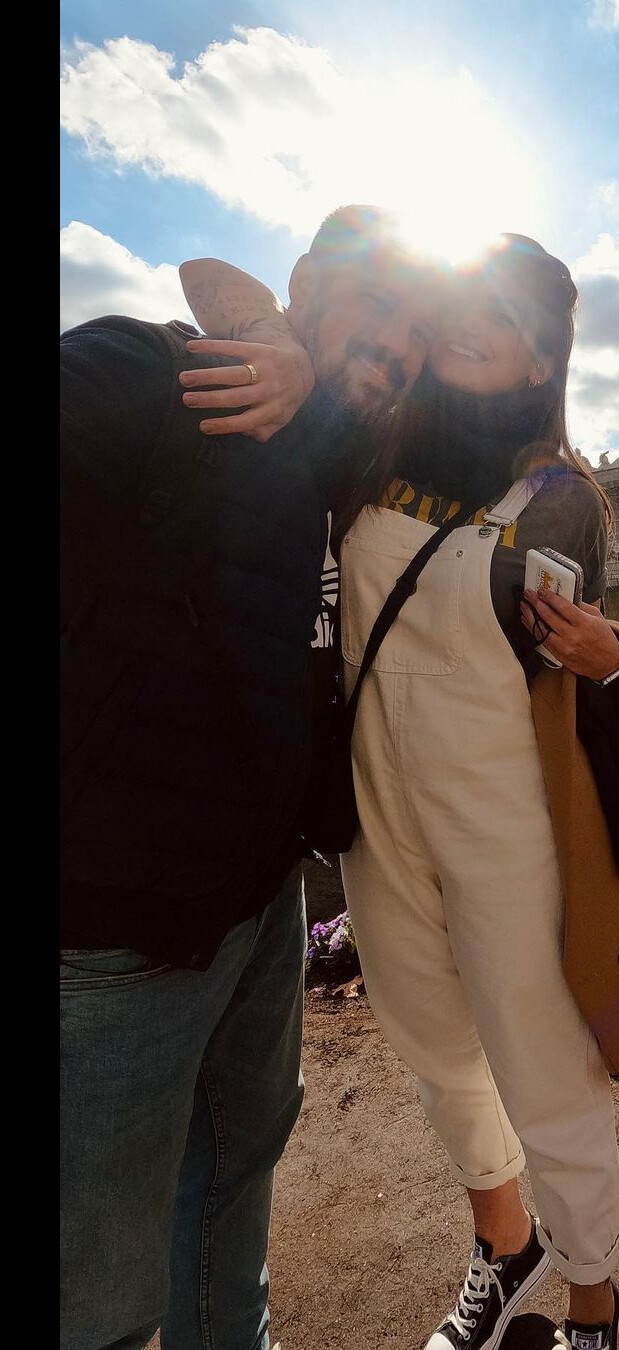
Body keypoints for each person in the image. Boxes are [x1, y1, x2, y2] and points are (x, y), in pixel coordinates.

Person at [180, 233, 619, 1350]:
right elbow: (210, 281)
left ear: (538, 364)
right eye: (474, 301)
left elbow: (568, 685)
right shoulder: (372, 439)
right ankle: (504, 1247)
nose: (480, 328)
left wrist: (608, 661)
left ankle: (593, 1308)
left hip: (502, 817)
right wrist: (279, 349)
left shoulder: (563, 499)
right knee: (434, 1052)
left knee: (545, 1069)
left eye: (513, 325)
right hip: (380, 815)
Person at [60, 205, 444, 1350]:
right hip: (114, 936)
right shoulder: (153, 374)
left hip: (260, 906)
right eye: (372, 308)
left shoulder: (337, 456)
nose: (393, 348)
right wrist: (241, 320)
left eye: (411, 337)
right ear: (297, 289)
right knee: (97, 1287)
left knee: (233, 1189)